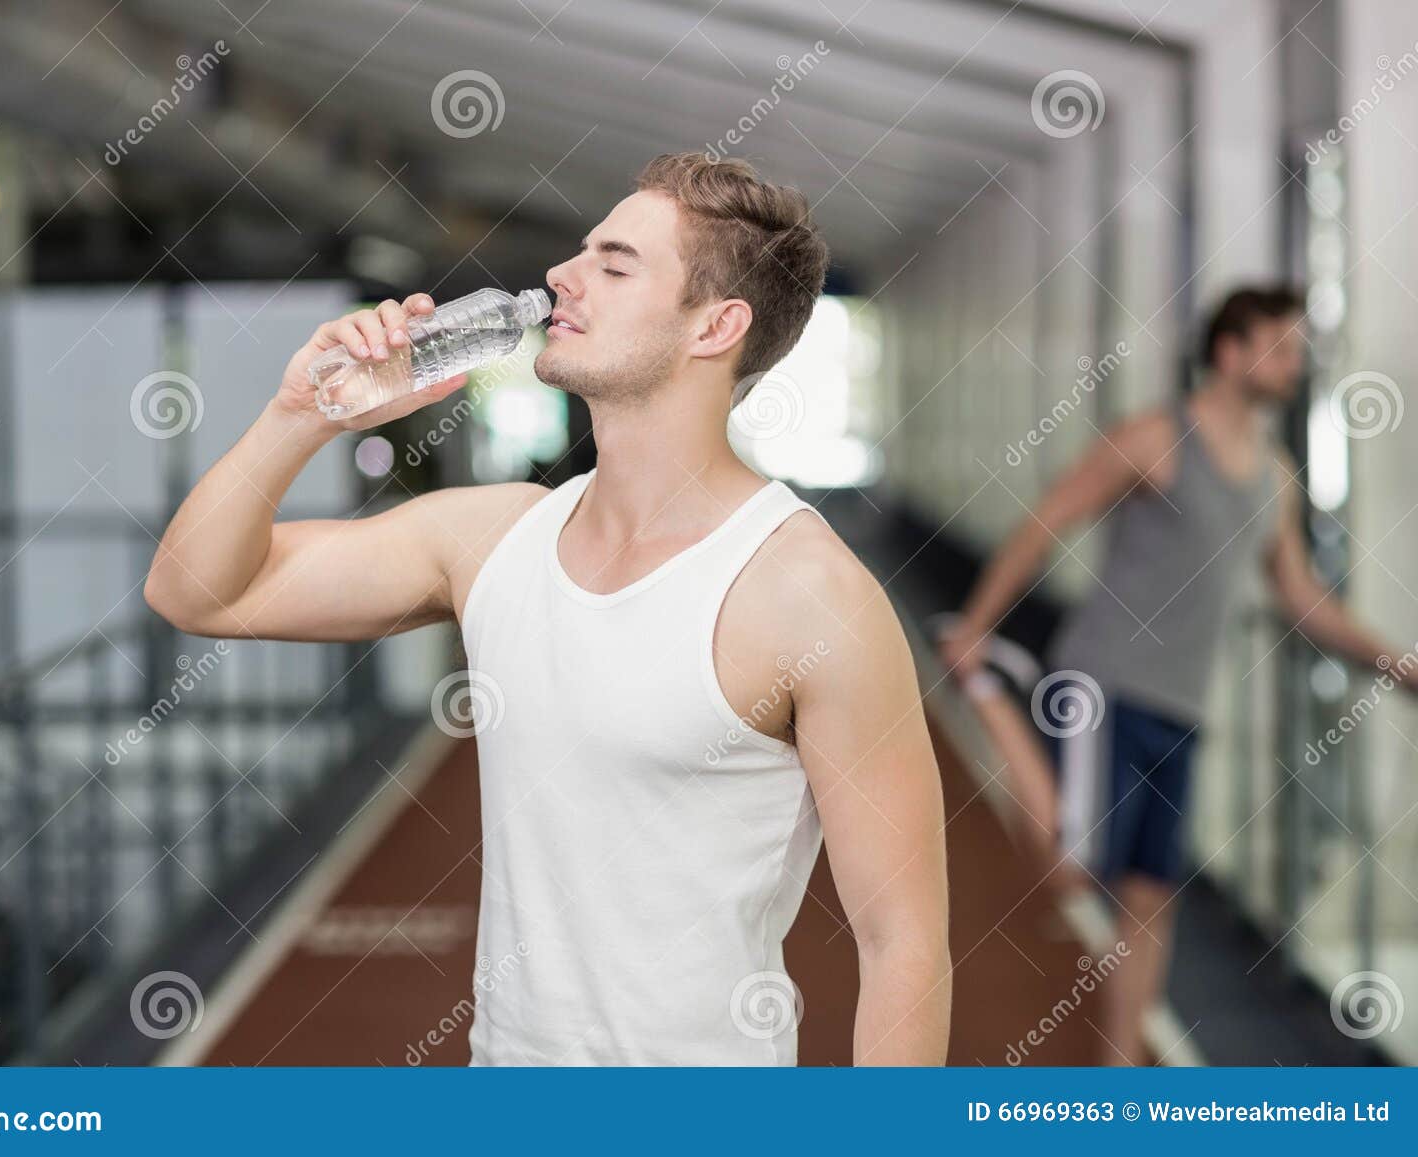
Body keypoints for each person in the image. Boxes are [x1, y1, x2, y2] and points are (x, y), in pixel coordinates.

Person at [144, 152, 951, 1066]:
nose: (562, 277)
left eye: (614, 264)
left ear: (715, 327)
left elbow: (903, 943)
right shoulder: (492, 536)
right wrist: (303, 414)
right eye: (580, 253)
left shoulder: (806, 592)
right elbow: (197, 589)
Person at [938, 285, 1416, 1066]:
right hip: (1104, 681)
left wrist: (1397, 664)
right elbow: (1049, 516)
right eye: (1284, 347)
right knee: (1066, 874)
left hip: (1181, 707)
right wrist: (974, 627)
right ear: (1232, 352)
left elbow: (1300, 597)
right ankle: (991, 696)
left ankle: (1123, 1085)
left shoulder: (1276, 476)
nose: (1298, 364)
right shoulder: (1157, 436)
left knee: (1150, 899)